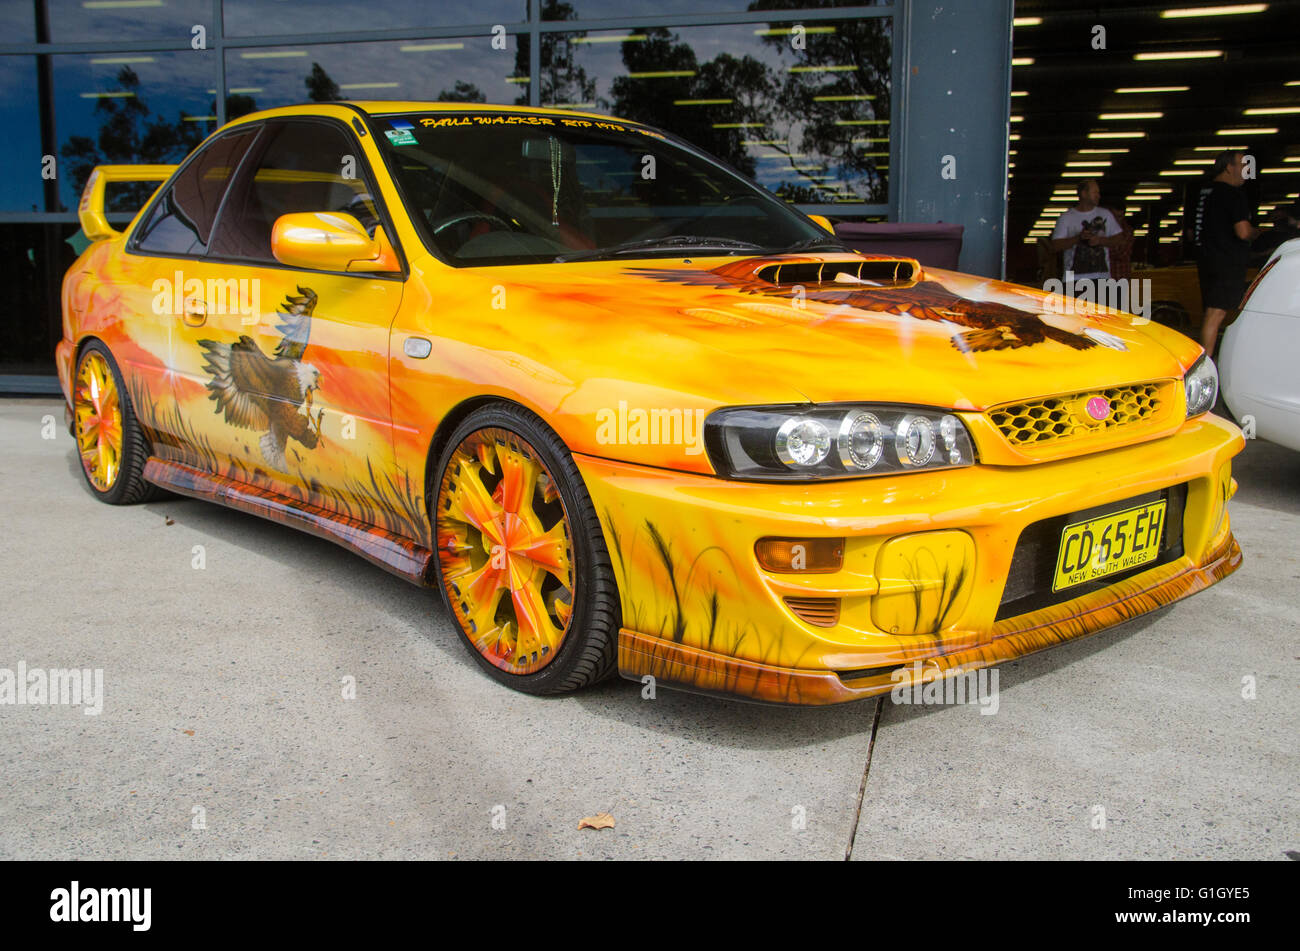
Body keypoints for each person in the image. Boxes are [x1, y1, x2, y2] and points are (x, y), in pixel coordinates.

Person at [1192, 150, 1259, 356]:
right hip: (1227, 262)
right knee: (1217, 313)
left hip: (1206, 260)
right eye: (1243, 165)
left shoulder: (1202, 192)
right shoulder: (1233, 194)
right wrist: (1258, 232)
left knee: (1213, 312)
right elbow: (1243, 231)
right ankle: (1206, 364)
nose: (1247, 171)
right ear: (1229, 167)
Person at [1049, 179, 1124, 294]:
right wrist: (1078, 238)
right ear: (1084, 194)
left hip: (1101, 278)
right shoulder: (1066, 217)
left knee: (1100, 312)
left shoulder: (1105, 214)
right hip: (1073, 280)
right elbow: (1055, 245)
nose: (1098, 196)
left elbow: (1119, 238)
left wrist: (1100, 240)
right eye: (1095, 193)